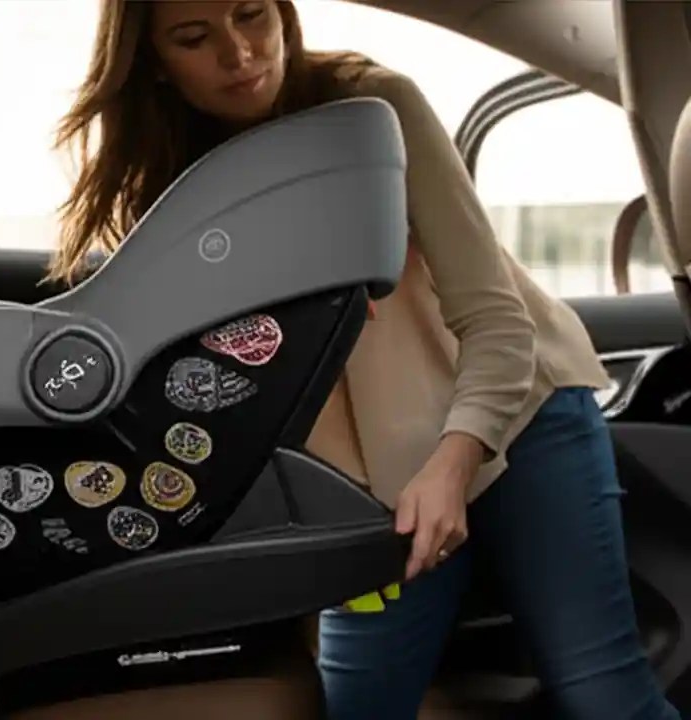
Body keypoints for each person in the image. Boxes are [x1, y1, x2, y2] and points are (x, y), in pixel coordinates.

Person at [46, 1, 683, 718]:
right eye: (195, 38)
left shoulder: (371, 106)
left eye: (252, 14)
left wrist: (452, 464)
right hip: (374, 482)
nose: (239, 51)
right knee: (359, 706)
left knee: (604, 697)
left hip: (521, 412)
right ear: (155, 63)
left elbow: (497, 318)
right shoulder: (172, 183)